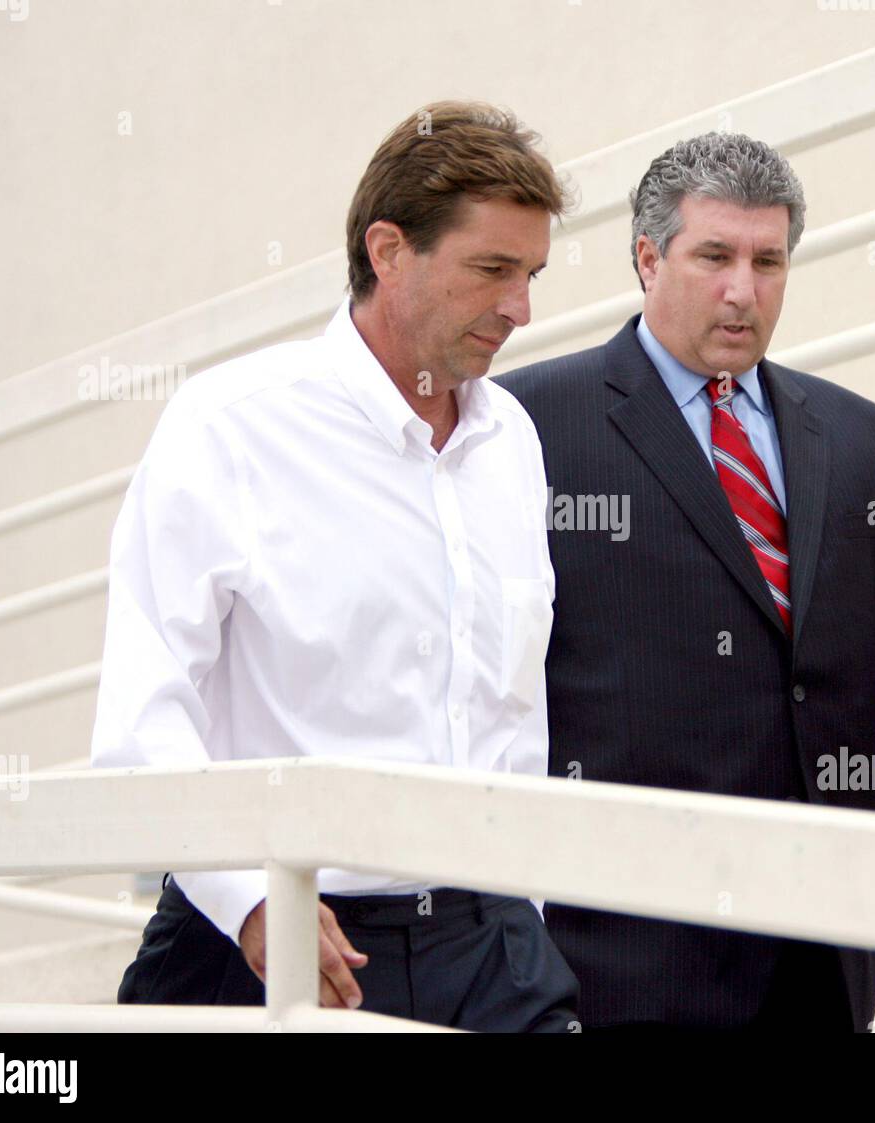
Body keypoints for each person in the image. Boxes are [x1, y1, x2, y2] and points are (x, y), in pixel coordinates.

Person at [497, 131, 875, 1031]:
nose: (743, 289)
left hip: (823, 952)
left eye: (769, 261)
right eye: (714, 256)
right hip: (622, 957)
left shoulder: (854, 437)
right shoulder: (527, 425)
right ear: (647, 259)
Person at [90, 101, 580, 1031]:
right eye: (493, 270)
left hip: (492, 950)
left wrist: (526, 909)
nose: (521, 308)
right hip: (271, 940)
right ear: (387, 250)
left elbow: (515, 710)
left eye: (532, 274)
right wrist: (248, 897)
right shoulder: (228, 426)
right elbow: (141, 718)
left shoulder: (511, 437)